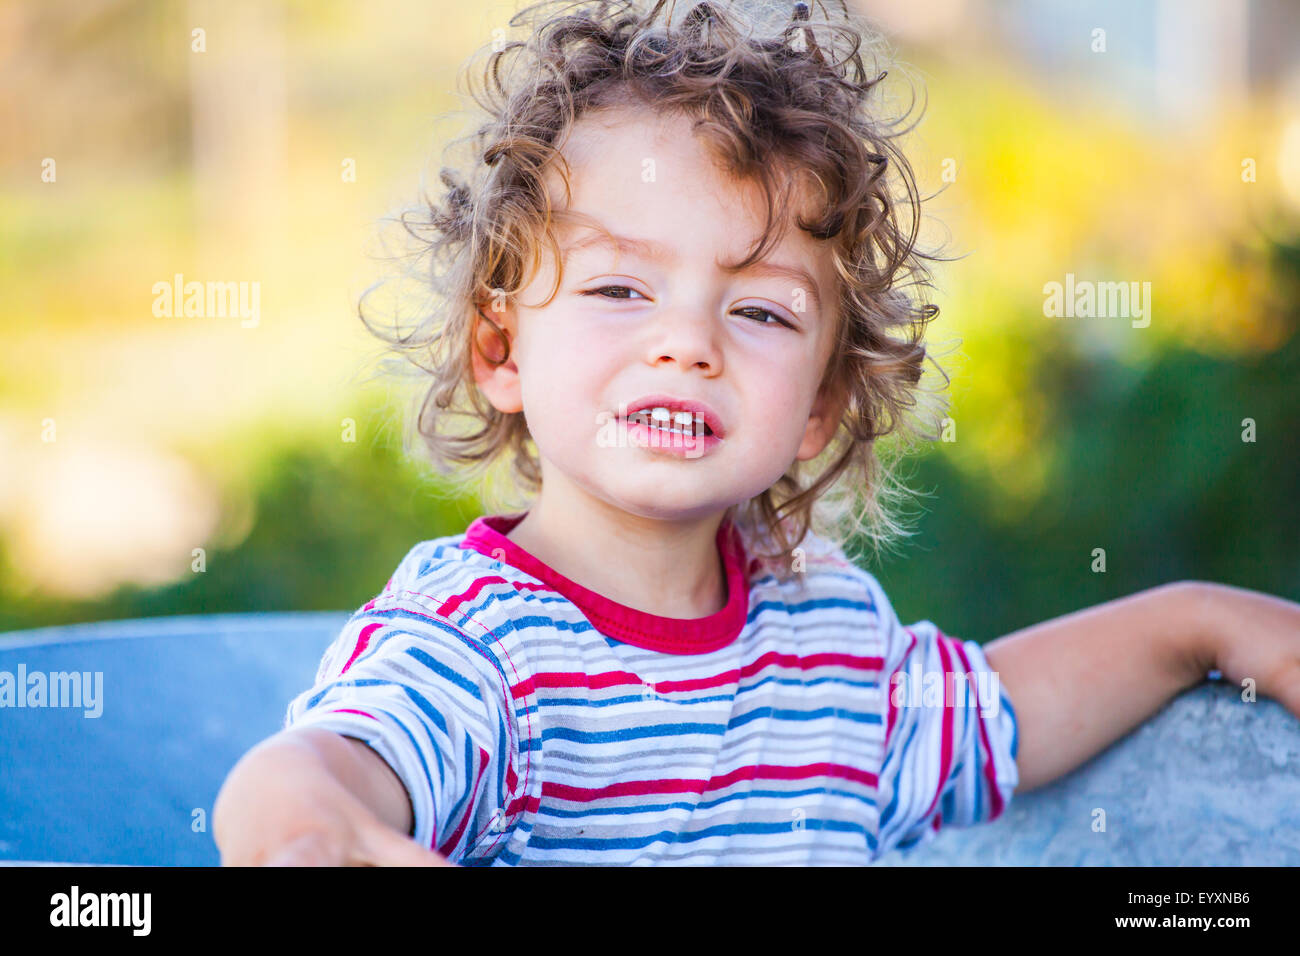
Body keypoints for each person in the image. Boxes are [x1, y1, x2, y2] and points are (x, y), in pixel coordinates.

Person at [212, 0, 1300, 866]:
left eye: (761, 310)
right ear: (501, 352)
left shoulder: (823, 638)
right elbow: (334, 760)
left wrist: (1194, 623)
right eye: (619, 288)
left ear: (819, 403)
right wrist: (304, 822)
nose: (687, 342)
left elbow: (999, 717)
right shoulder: (480, 649)